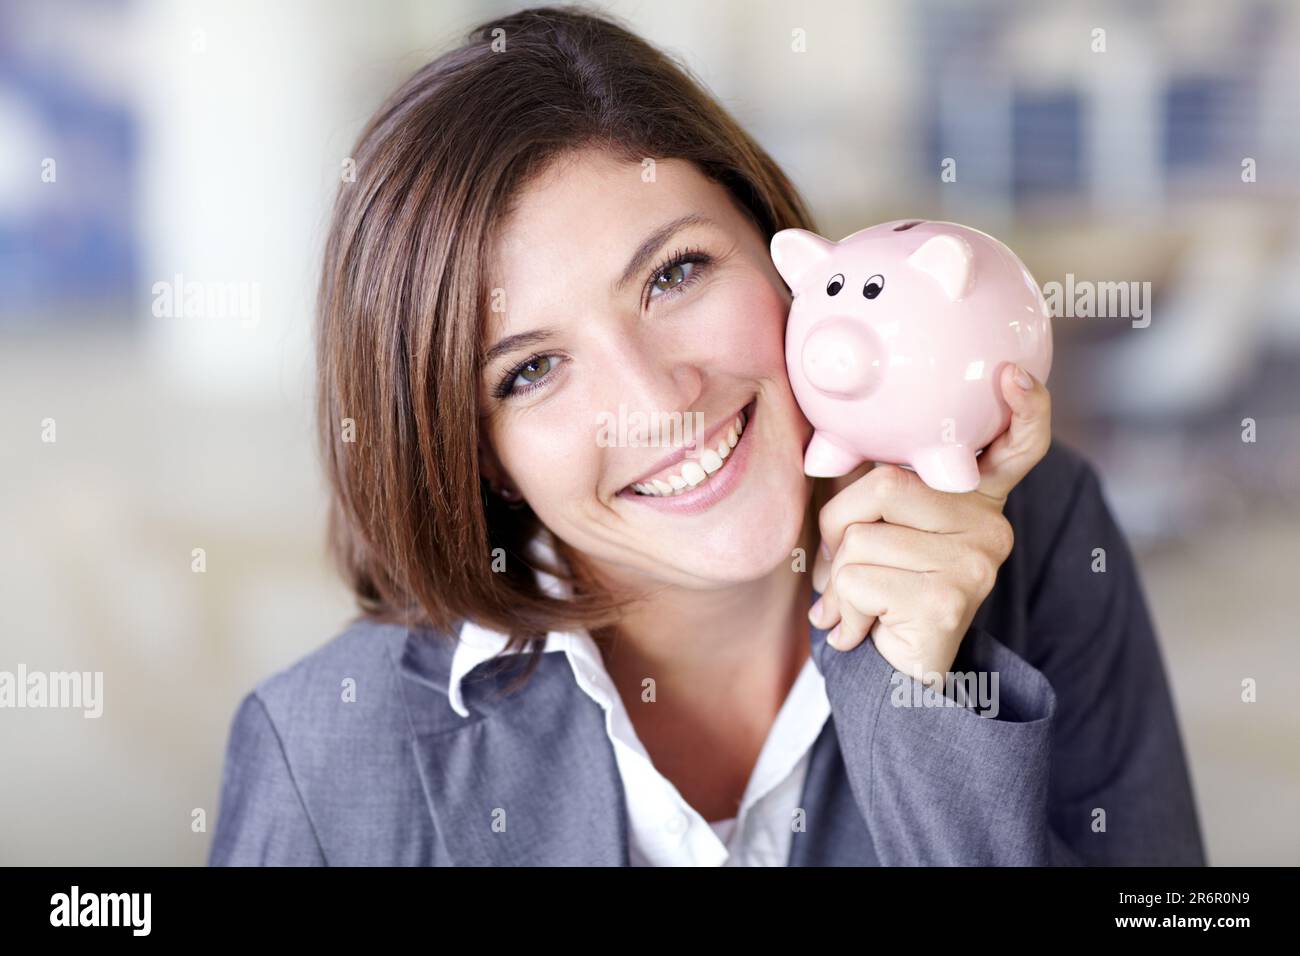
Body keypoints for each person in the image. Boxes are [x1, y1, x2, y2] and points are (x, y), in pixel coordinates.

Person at [208, 4, 1205, 866]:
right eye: (530, 369)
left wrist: (921, 699)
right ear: (477, 453)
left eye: (673, 274)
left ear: (780, 253)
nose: (656, 395)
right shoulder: (324, 752)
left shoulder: (1039, 529)